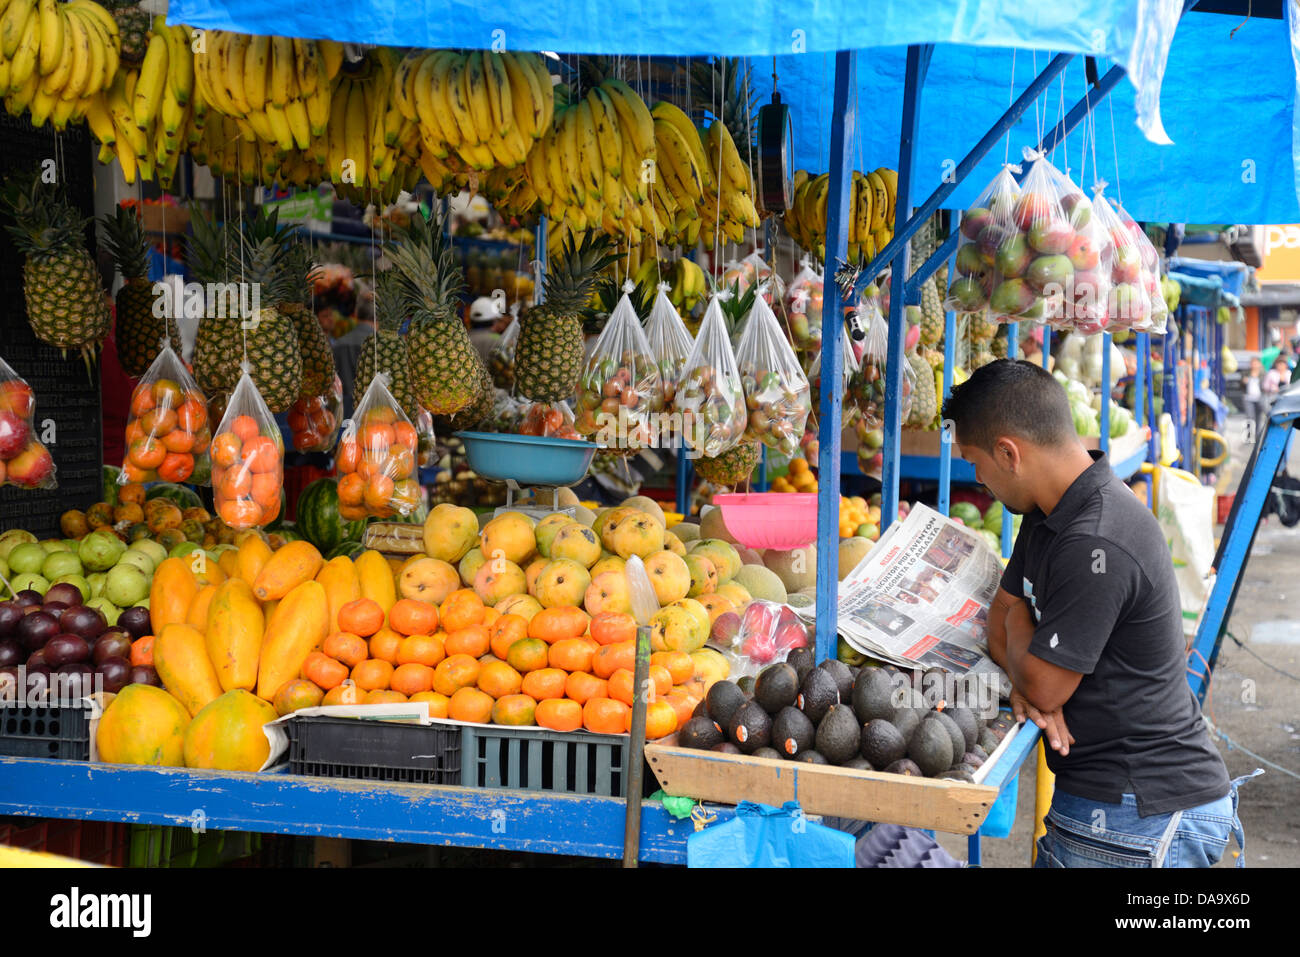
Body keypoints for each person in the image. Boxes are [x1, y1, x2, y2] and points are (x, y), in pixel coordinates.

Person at [943, 359, 1258, 868]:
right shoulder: (1048, 512)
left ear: (1008, 452)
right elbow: (999, 626)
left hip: (1142, 813)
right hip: (1109, 809)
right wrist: (1030, 672)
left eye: (975, 463)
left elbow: (1034, 664)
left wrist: (1026, 642)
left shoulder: (1097, 536)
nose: (979, 481)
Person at [1242, 357, 1265, 437]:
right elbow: (1240, 386)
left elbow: (1265, 385)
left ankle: (1257, 434)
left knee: (1258, 416)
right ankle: (1249, 435)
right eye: (1252, 363)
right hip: (1248, 397)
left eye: (1256, 363)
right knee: (1250, 416)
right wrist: (1243, 382)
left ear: (1259, 364)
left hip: (1259, 397)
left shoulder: (1263, 373)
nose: (1254, 365)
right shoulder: (1245, 373)